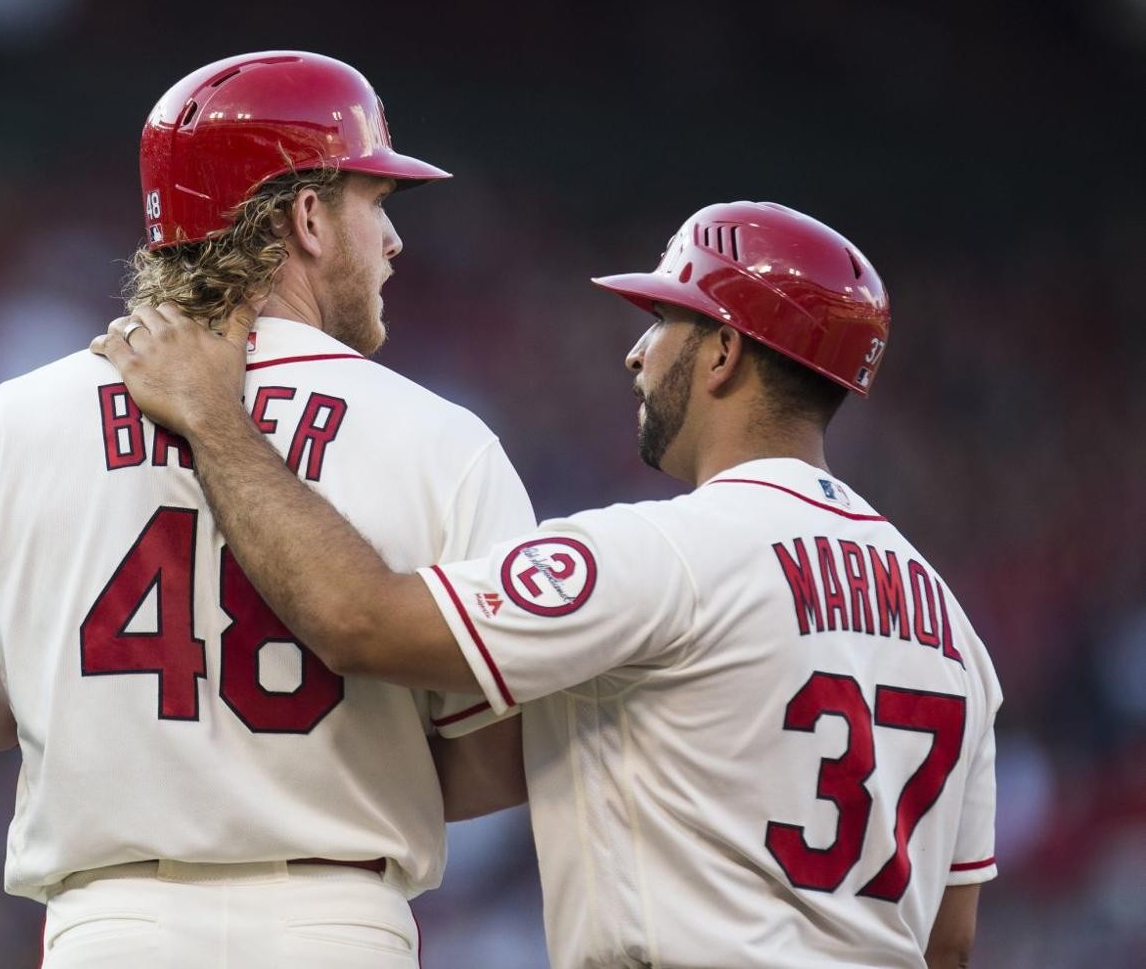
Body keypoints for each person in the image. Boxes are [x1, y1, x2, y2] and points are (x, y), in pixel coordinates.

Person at [94, 200, 1001, 969]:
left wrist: (213, 417)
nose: (637, 355)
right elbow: (950, 942)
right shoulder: (955, 631)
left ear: (723, 352)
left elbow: (361, 622)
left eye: (662, 323)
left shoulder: (665, 553)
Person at [0, 50, 537, 966]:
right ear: (308, 218)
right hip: (333, 922)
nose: (394, 242)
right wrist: (342, 771)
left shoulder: (11, 420)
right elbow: (501, 754)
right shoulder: (442, 439)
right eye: (376, 204)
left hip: (113, 925)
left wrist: (59, 707)